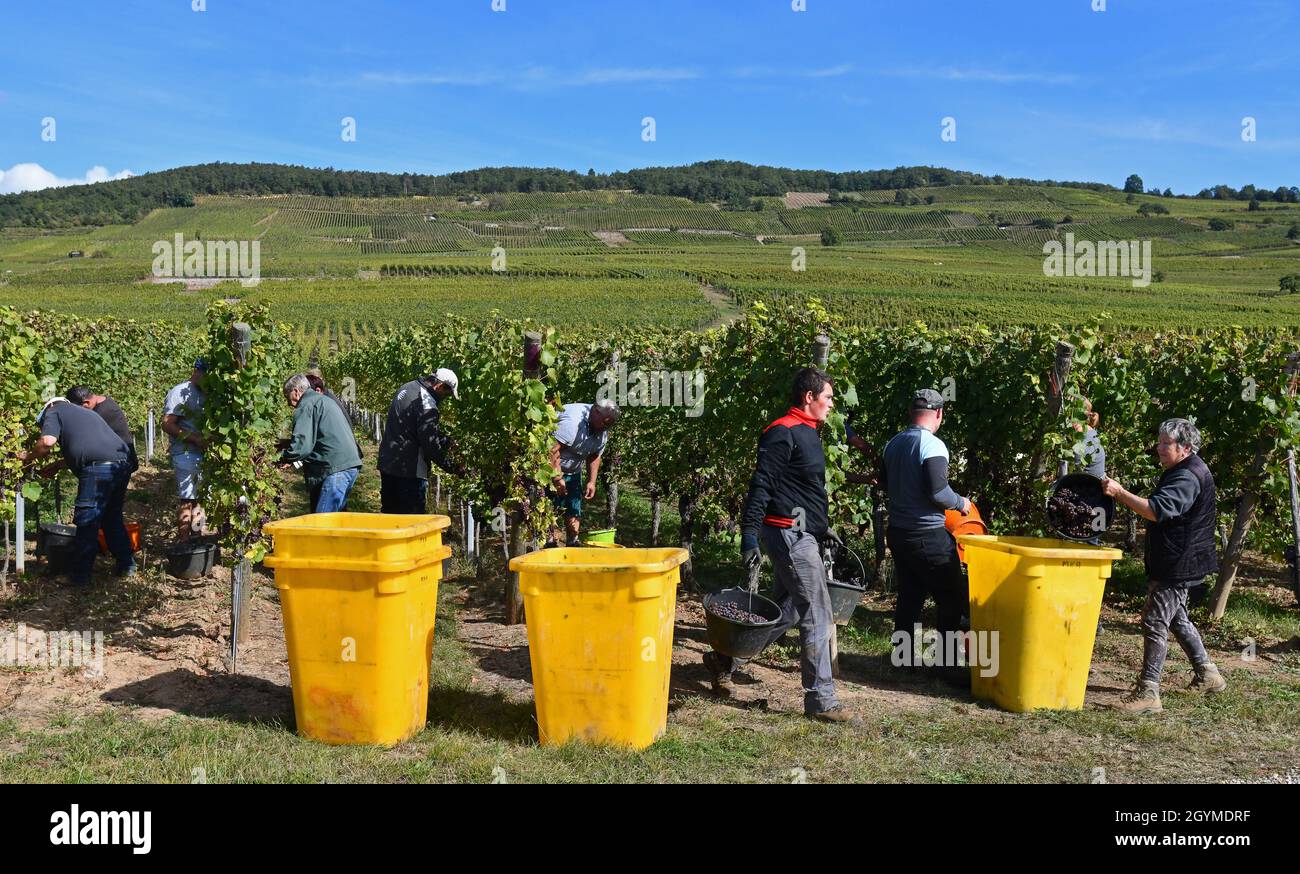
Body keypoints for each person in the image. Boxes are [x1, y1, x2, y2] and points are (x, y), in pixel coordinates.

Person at [703, 367, 856, 724]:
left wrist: (821, 527)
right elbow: (763, 486)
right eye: (828, 398)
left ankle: (726, 658)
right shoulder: (782, 433)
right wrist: (749, 535)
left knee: (788, 609)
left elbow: (802, 490)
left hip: (802, 532)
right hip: (788, 535)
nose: (832, 404)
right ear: (809, 398)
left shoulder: (808, 432)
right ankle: (822, 700)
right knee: (817, 612)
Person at [1102, 418, 1227, 713]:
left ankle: (1149, 693)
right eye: (1158, 442)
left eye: (1164, 444)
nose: (1158, 448)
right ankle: (1208, 673)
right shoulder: (1184, 468)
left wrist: (1119, 493)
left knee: (1155, 620)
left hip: (1178, 561)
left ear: (1184, 447)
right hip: (1178, 557)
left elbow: (1155, 511)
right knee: (1176, 617)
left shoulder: (1186, 477)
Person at [880, 388, 971, 675]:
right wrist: (961, 503)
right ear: (939, 413)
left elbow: (883, 483)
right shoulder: (932, 445)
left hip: (898, 532)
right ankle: (947, 666)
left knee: (910, 594)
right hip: (927, 535)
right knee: (952, 596)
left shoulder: (892, 444)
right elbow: (938, 492)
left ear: (911, 412)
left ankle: (903, 659)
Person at [18, 397, 135, 585]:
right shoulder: (86, 413)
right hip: (121, 464)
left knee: (87, 520)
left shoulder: (54, 411)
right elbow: (90, 447)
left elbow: (47, 442)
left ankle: (79, 576)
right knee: (111, 519)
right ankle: (127, 566)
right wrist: (59, 465)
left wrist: (28, 457)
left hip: (98, 469)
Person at [377, 368, 463, 514]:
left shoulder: (407, 387)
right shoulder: (428, 404)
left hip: (388, 464)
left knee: (390, 518)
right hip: (409, 473)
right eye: (447, 394)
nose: (445, 398)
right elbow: (430, 446)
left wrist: (447, 441)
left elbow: (415, 428)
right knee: (412, 523)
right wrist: (453, 467)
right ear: (440, 386)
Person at [279, 375, 363, 513]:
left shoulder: (306, 405)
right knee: (336, 521)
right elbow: (320, 436)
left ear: (296, 391)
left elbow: (301, 448)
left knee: (322, 523)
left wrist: (282, 458)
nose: (288, 402)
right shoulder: (322, 400)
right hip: (349, 465)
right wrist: (288, 443)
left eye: (286, 396)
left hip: (335, 469)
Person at [546, 399, 619, 546]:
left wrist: (592, 481)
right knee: (549, 507)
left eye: (609, 425)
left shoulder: (602, 429)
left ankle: (573, 542)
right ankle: (549, 542)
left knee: (573, 506)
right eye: (605, 423)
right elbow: (552, 450)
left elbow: (594, 456)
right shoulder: (573, 423)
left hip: (574, 470)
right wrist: (557, 476)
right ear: (596, 412)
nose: (606, 428)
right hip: (549, 468)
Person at [162, 360, 208, 541]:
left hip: (203, 454)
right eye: (206, 375)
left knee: (200, 499)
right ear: (196, 371)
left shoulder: (207, 393)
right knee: (187, 499)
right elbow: (167, 424)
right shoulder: (180, 392)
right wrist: (195, 439)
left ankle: (197, 537)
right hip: (186, 453)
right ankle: (184, 541)